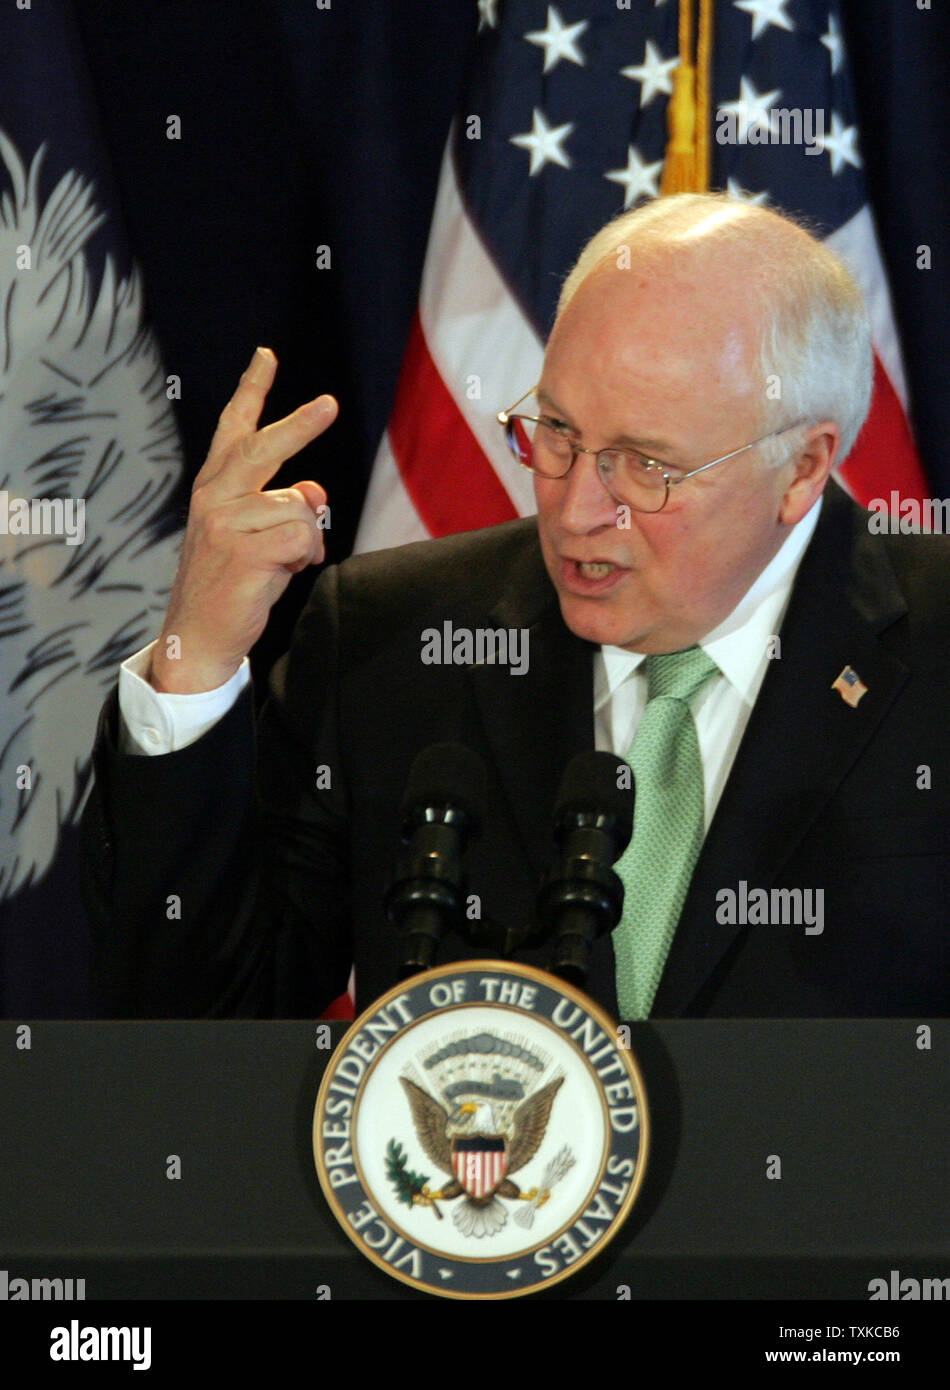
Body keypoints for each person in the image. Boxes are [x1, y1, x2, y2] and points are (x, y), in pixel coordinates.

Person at [80, 193, 950, 1019]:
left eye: (648, 466)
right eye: (558, 435)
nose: (574, 513)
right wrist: (193, 663)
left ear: (801, 468)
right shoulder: (392, 640)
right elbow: (200, 1024)